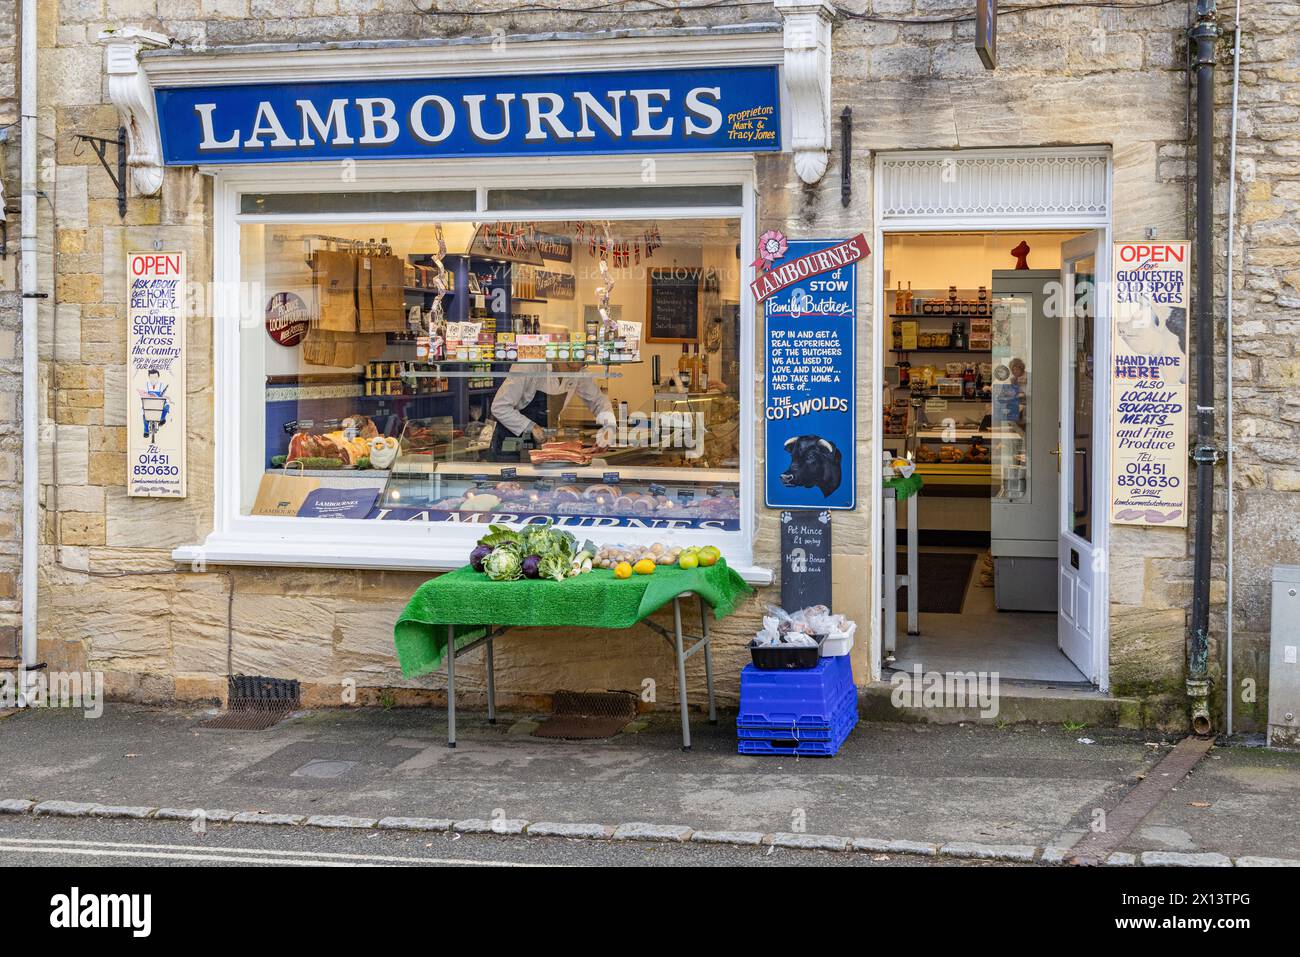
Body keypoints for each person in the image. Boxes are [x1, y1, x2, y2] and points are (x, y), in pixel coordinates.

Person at [490, 361, 616, 458]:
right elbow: (499, 407)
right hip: (511, 445)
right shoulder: (530, 366)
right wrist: (531, 427)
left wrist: (609, 428)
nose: (577, 371)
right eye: (572, 366)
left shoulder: (578, 370)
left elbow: (598, 401)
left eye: (582, 364)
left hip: (543, 448)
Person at [141, 368, 169, 438]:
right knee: (145, 415)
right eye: (151, 377)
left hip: (159, 404)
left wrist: (164, 398)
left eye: (155, 377)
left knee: (166, 407)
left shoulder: (161, 385)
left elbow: (165, 396)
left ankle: (162, 418)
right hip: (149, 405)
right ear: (149, 377)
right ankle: (146, 430)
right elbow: (143, 395)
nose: (153, 379)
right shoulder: (146, 385)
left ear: (158, 377)